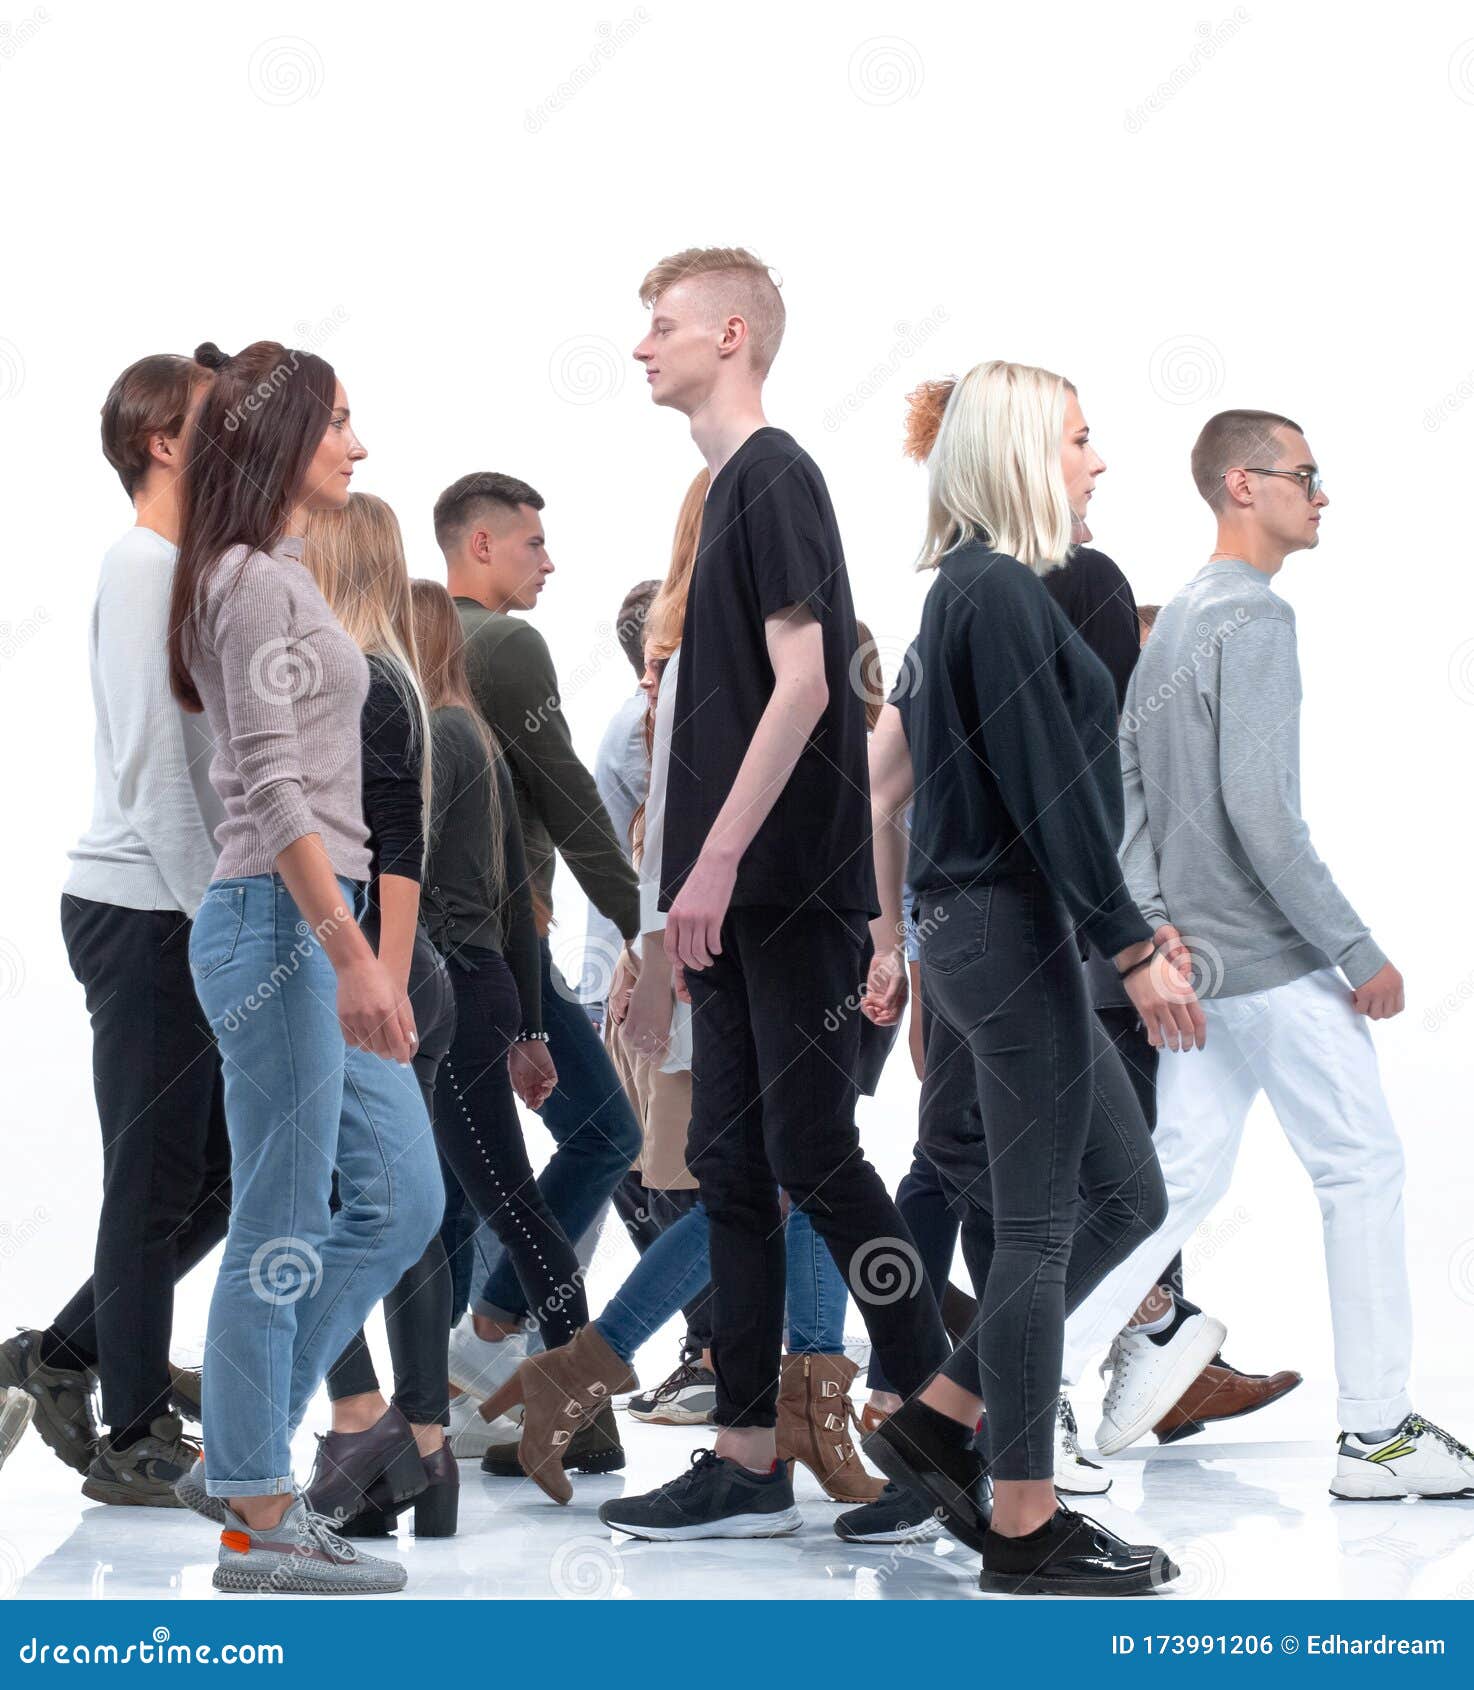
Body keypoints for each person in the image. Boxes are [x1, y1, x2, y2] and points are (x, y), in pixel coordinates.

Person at [594, 246, 947, 1546]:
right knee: (734, 1161)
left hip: (786, 890)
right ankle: (746, 1455)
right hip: (733, 905)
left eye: (662, 325)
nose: (642, 346)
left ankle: (937, 1414)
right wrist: (688, 899)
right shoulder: (724, 486)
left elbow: (806, 685)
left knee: (813, 1156)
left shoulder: (774, 472)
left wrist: (722, 862)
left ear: (729, 335)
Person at [1060, 409, 1474, 1500]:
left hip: (1199, 960)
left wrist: (1154, 924)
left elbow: (1124, 793)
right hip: (1267, 956)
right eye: (1305, 474)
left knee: (1176, 1185)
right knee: (1363, 1167)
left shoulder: (1178, 615)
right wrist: (1354, 948)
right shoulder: (1252, 618)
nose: (1320, 493)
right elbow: (1261, 813)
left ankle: (1039, 1393)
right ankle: (1376, 1434)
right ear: (1243, 484)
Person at [861, 360, 1202, 1594]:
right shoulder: (996, 591)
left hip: (988, 928)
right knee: (1045, 1228)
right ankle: (1020, 1521)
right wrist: (1130, 945)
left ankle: (940, 1414)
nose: (1095, 459)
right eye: (1076, 438)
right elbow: (1053, 792)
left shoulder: (971, 588)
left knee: (1127, 1195)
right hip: (1006, 928)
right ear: (1016, 453)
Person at [478, 480, 880, 1510]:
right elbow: (657, 843)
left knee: (779, 1180)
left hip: (771, 957)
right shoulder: (698, 672)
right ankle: (611, 1371)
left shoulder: (754, 657)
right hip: (721, 963)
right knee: (759, 1185)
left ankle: (793, 1401)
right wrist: (649, 967)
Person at [165, 340, 443, 1595]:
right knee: (280, 1218)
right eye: (338, 422)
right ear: (280, 439)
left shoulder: (278, 575)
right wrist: (354, 958)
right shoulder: (248, 582)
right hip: (280, 928)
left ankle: (237, 1446)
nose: (359, 444)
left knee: (402, 1196)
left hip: (293, 927)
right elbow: (274, 790)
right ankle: (259, 1515)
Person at [2, 353, 227, 1508]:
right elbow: (150, 772)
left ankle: (60, 1352)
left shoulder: (188, 567)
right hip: (144, 908)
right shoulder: (141, 567)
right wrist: (221, 924)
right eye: (213, 421)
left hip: (176, 906)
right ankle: (136, 1433)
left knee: (221, 1177)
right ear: (162, 443)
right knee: (152, 1183)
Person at [1045, 546, 1300, 1451]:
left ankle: (1152, 1341)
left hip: (1130, 979)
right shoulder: (1098, 744)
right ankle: (1153, 1332)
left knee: (1141, 1168)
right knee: (1121, 1170)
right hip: (1105, 974)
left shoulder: (1135, 753)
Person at [433, 473, 644, 1455]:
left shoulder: (410, 644)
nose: (549, 561)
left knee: (450, 1185)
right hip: (500, 945)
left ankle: (444, 1396)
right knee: (602, 1130)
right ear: (478, 544)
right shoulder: (504, 644)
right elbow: (566, 800)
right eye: (531, 544)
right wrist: (646, 924)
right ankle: (495, 1347)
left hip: (432, 950)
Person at [295, 493, 461, 1538]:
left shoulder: (367, 684)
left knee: (333, 1204)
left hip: (382, 977)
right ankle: (426, 1452)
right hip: (398, 975)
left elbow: (397, 847)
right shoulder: (378, 679)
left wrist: (384, 988)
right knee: (399, 1209)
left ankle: (361, 1426)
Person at [407, 582, 601, 1469]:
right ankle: (449, 1408)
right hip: (479, 987)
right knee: (473, 1201)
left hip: (452, 984)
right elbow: (521, 896)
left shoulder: (436, 739)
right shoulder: (467, 734)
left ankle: (581, 1415)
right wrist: (527, 1026)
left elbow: (480, 897)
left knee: (505, 1203)